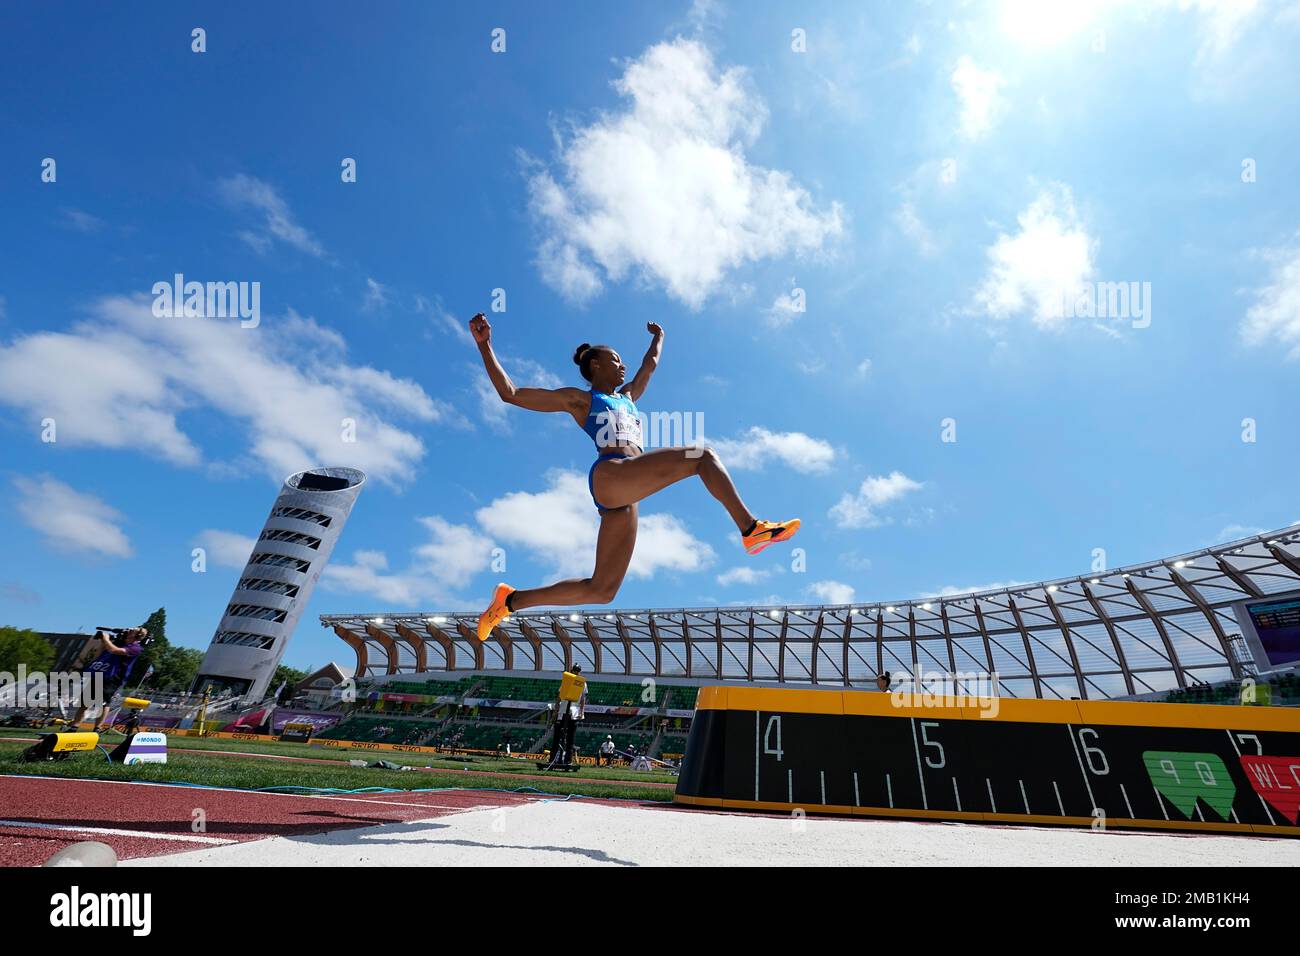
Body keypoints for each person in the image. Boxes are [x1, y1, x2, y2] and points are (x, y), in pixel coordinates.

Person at [470, 313, 800, 639]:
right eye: (615, 359)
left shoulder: (627, 397)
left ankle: (510, 600)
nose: (622, 365)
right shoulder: (581, 399)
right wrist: (486, 346)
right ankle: (751, 528)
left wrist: (659, 337)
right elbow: (510, 393)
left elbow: (650, 365)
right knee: (702, 457)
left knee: (602, 590)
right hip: (611, 474)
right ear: (595, 366)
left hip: (627, 495)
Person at [70, 627, 149, 732]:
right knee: (85, 702)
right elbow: (99, 653)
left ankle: (97, 728)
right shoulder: (118, 642)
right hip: (99, 673)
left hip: (112, 677)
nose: (127, 632)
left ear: (136, 636)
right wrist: (104, 641)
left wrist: (106, 639)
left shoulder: (135, 648)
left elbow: (114, 650)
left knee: (102, 703)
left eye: (131, 632)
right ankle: (74, 727)